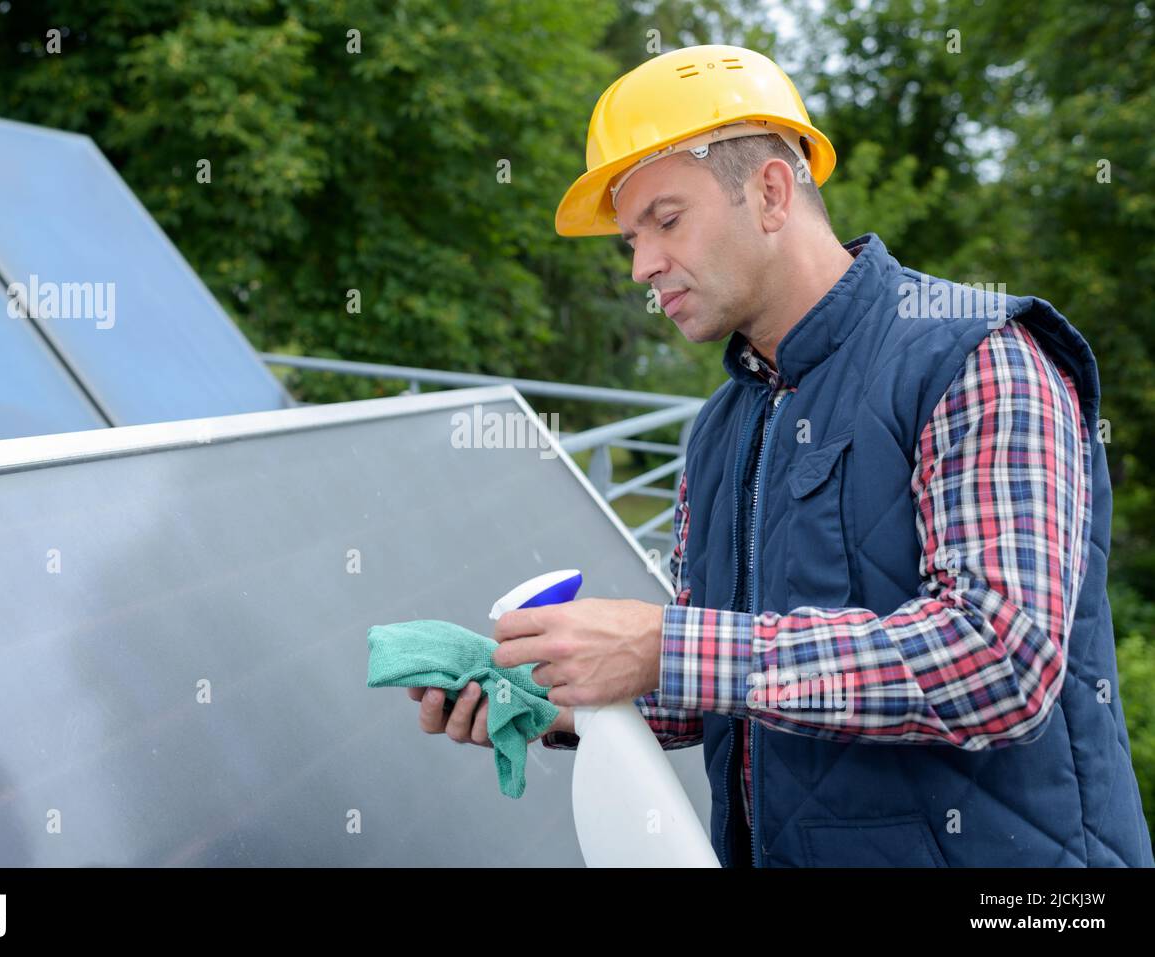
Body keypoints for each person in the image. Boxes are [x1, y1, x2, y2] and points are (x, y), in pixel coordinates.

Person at [409, 44, 1152, 867]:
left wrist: (665, 644)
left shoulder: (976, 357)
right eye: (629, 239)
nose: (642, 265)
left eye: (665, 219)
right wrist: (553, 697)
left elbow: (998, 661)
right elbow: (721, 691)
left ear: (769, 191)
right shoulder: (721, 428)